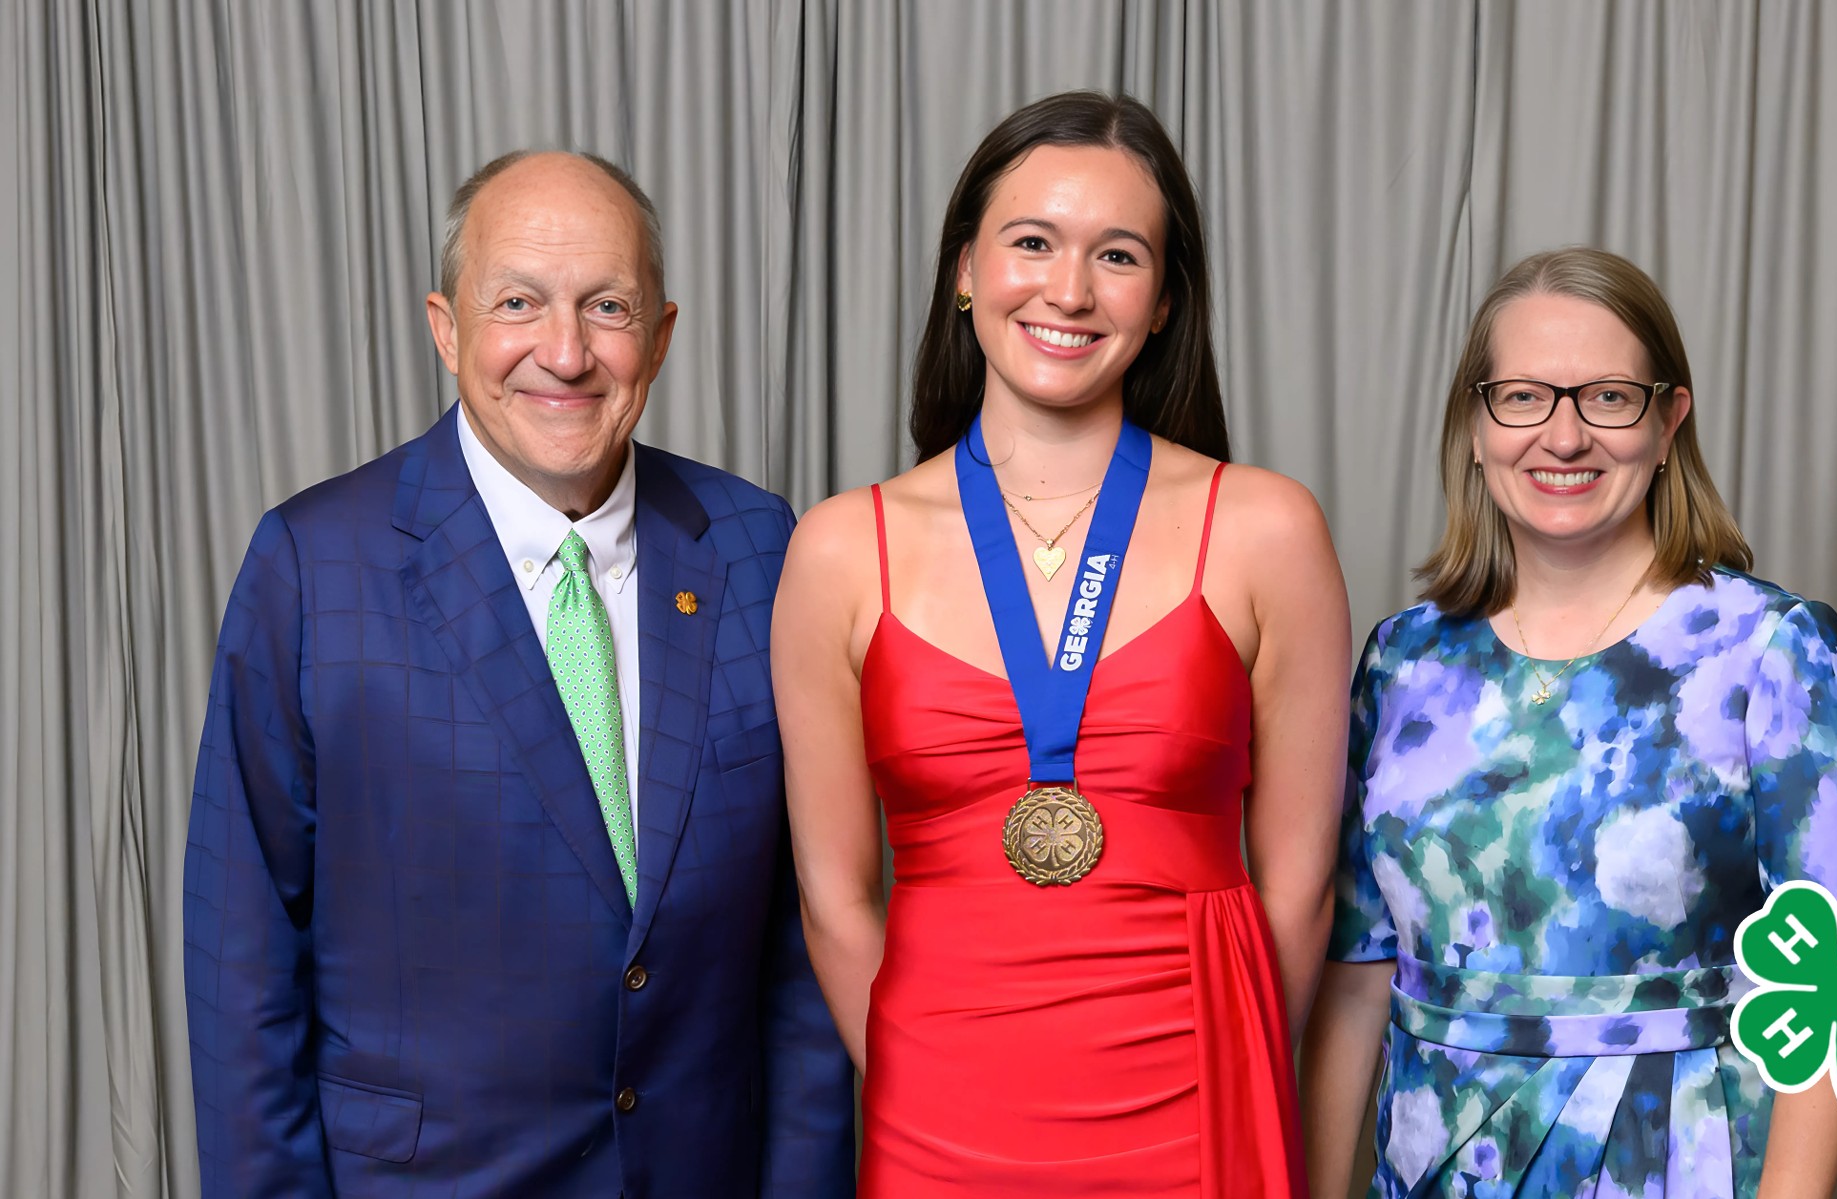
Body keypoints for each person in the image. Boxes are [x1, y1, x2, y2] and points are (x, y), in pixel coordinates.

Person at [182, 150, 854, 1197]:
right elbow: (242, 960)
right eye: (518, 302)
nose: (566, 351)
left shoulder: (760, 547)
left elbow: (805, 937)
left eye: (607, 307)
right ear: (446, 327)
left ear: (662, 336)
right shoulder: (314, 563)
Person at [773, 91, 1351, 1196]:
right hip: (936, 1105)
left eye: (1118, 255)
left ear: (1167, 300)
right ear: (962, 269)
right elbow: (833, 895)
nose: (1069, 290)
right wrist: (912, 1072)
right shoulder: (840, 550)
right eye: (1031, 241)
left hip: (1201, 1100)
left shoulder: (1267, 528)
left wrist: (1234, 1072)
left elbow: (1299, 883)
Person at [1300, 247, 1837, 1198]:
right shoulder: (1404, 661)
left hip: (1668, 1161)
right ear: (1478, 424)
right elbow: (1360, 975)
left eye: (1607, 397)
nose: (1563, 437)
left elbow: (1836, 984)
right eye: (1524, 396)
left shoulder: (1770, 648)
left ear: (1667, 422)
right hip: (1430, 1165)